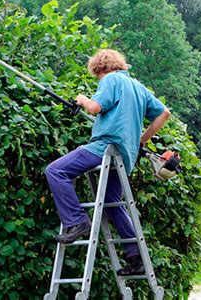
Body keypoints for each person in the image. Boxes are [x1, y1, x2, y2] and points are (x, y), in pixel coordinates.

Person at [44, 49, 171, 275]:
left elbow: (94, 108)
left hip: (104, 147)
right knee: (112, 203)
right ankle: (136, 257)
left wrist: (82, 99)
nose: (98, 79)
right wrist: (141, 140)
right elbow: (164, 114)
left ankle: (77, 221)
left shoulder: (110, 79)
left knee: (55, 171)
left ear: (101, 69)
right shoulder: (139, 87)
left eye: (97, 76)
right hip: (125, 155)